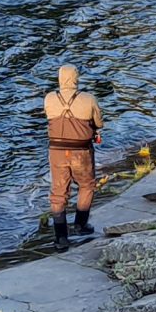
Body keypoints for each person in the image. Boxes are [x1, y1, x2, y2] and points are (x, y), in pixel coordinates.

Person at [42, 65, 103, 236]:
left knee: (58, 193)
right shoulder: (89, 98)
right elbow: (99, 123)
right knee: (87, 185)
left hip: (57, 152)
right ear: (76, 78)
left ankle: (60, 238)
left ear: (60, 78)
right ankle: (80, 225)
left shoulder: (49, 98)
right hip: (81, 152)